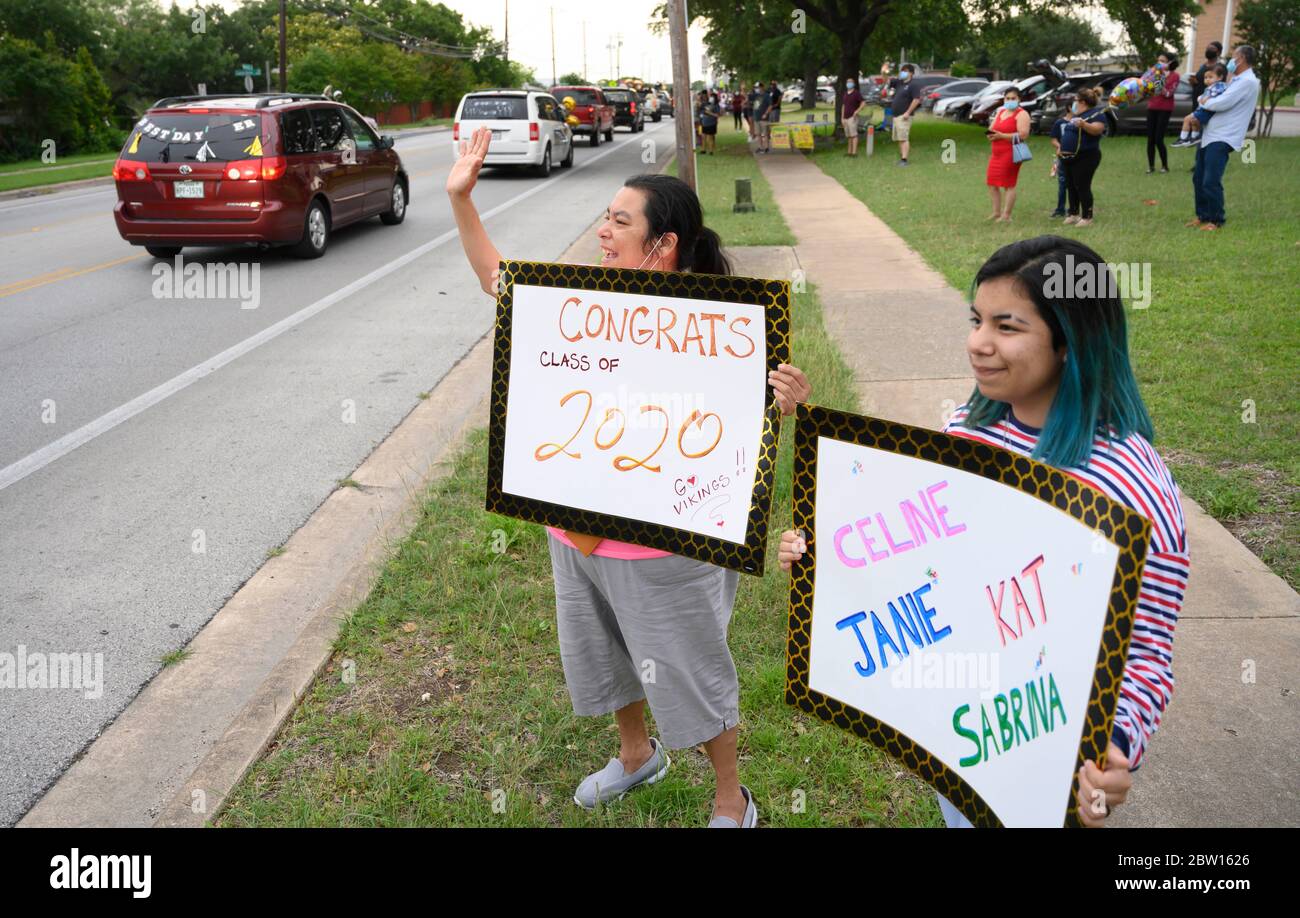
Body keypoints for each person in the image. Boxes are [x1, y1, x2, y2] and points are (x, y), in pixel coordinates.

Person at [447, 127, 813, 828]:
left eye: (619, 220)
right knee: (604, 655)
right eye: (605, 217)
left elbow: (754, 414)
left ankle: (731, 799)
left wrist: (787, 396)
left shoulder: (722, 325)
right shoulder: (578, 300)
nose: (602, 230)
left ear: (663, 244)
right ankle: (636, 753)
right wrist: (462, 199)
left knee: (688, 669)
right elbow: (497, 279)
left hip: (666, 543)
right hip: (578, 530)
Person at [778, 235, 1189, 829]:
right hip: (961, 731)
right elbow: (928, 559)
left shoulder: (1132, 484)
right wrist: (824, 557)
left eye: (1007, 326)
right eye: (976, 319)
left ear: (1071, 342)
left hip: (1045, 755)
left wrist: (1117, 743)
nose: (978, 343)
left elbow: (1147, 651)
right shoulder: (964, 431)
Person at [1188, 45, 1260, 231]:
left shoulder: (1248, 82)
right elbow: (1214, 97)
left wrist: (1203, 101)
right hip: (1211, 133)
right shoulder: (1236, 80)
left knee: (1211, 180)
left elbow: (1221, 103)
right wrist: (1205, 101)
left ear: (1242, 58)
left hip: (1224, 136)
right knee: (1199, 178)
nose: (1230, 60)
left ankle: (1216, 220)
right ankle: (1202, 216)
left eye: (1234, 56)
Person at [1059, 87, 1107, 226]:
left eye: (1075, 100)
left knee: (1082, 186)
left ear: (1083, 102)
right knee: (1071, 185)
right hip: (1068, 157)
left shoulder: (1096, 114)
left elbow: (1097, 130)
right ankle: (1073, 213)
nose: (1073, 103)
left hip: (1087, 156)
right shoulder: (1075, 115)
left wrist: (1084, 124)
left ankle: (1087, 217)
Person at [984, 86, 1032, 222]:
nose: (1010, 101)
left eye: (1013, 98)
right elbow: (992, 128)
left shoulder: (1022, 114)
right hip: (996, 153)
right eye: (1007, 98)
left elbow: (1023, 135)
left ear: (1019, 99)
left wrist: (1002, 136)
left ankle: (1006, 215)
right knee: (992, 183)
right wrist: (991, 135)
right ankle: (996, 212)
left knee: (1008, 184)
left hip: (1011, 153)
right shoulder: (1001, 112)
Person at [1173, 63, 1228, 147]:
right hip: (1202, 109)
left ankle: (1183, 138)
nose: (1207, 80)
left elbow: (1219, 92)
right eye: (1205, 78)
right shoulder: (1209, 87)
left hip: (1206, 111)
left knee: (1187, 119)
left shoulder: (1219, 85)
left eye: (1210, 77)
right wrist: (1201, 98)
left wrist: (1208, 97)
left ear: (1220, 77)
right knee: (1193, 122)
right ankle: (1194, 137)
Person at [1144, 54, 1180, 174]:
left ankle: (1165, 166)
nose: (1159, 63)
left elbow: (1168, 94)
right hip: (1152, 107)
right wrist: (1151, 78)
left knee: (1159, 138)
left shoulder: (1175, 76)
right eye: (1158, 60)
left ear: (1169, 63)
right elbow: (1145, 86)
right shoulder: (1153, 73)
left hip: (1165, 109)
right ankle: (1151, 166)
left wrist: (1160, 83)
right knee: (1150, 139)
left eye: (1163, 61)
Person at [890, 63, 921, 166]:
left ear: (911, 73)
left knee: (904, 138)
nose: (903, 72)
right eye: (902, 70)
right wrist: (884, 72)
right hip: (896, 115)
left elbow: (916, 100)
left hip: (904, 116)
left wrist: (907, 112)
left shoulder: (913, 85)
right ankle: (902, 157)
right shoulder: (899, 83)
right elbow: (886, 80)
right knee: (900, 138)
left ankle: (904, 160)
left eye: (905, 71)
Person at [1048, 111, 1069, 218]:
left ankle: (1074, 209)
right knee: (1062, 184)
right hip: (1063, 157)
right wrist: (1060, 147)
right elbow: (1053, 139)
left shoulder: (1082, 121)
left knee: (1076, 185)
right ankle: (1060, 209)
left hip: (1078, 157)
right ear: (1069, 107)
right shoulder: (1060, 123)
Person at [843, 77, 867, 156]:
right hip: (845, 118)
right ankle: (849, 152)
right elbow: (844, 106)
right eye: (847, 82)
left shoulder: (856, 93)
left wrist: (857, 111)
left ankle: (854, 153)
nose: (848, 83)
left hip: (852, 117)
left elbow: (863, 103)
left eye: (850, 82)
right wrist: (842, 118)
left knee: (854, 135)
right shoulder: (846, 93)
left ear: (853, 84)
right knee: (849, 136)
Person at [753, 81, 772, 152]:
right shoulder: (756, 96)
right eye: (756, 87)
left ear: (762, 87)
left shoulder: (767, 96)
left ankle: (767, 147)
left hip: (764, 118)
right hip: (756, 117)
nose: (758, 89)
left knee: (766, 133)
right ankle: (760, 147)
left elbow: (770, 106)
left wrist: (766, 114)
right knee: (758, 134)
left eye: (759, 87)